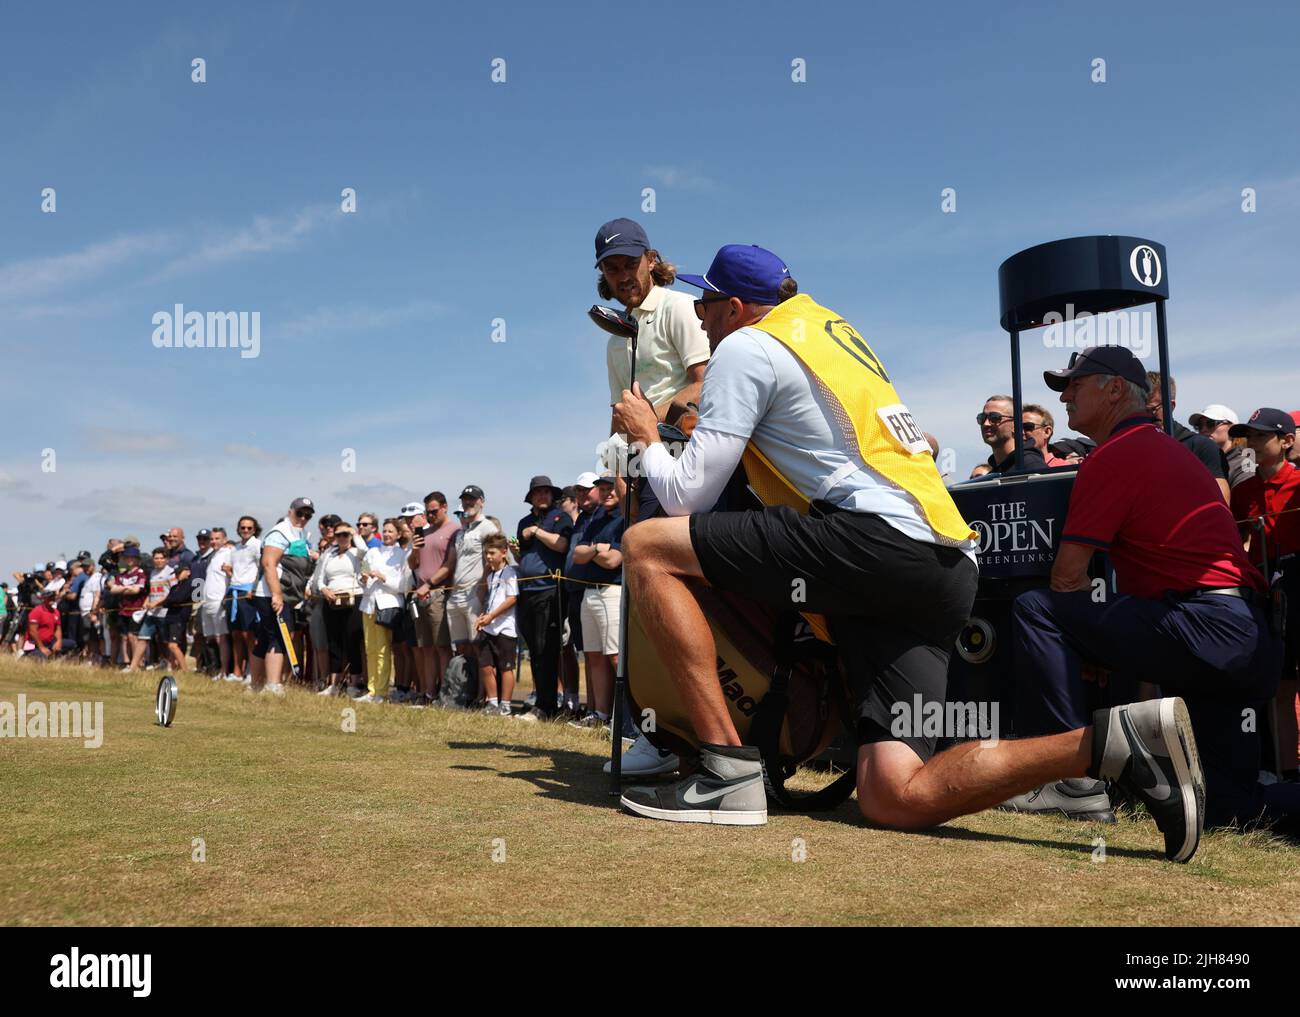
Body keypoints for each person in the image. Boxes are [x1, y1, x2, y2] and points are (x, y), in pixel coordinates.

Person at [611, 244, 1203, 863]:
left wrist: (650, 437)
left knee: (646, 546)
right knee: (893, 796)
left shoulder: (744, 345)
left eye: (707, 304)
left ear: (735, 307)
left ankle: (726, 771)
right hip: (944, 561)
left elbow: (686, 495)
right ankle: (1113, 742)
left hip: (874, 539)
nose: (701, 318)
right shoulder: (827, 328)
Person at [1009, 347, 1295, 841]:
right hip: (1243, 636)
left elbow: (1067, 580)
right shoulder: (1165, 449)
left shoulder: (1118, 453)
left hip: (1206, 624)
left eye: (1077, 384)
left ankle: (1071, 779)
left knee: (1036, 609)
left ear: (1116, 390)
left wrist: (1086, 643)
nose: (1067, 395)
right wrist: (1101, 642)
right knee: (1230, 808)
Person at [595, 217, 710, 518]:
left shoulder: (681, 307)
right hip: (640, 471)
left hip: (686, 460)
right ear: (603, 274)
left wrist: (645, 421)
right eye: (612, 268)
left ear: (650, 260)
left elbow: (707, 383)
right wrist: (619, 476)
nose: (623, 276)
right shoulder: (614, 340)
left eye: (630, 264)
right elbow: (619, 415)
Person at [1228, 408, 1300, 778]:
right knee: (1280, 689)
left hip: (1297, 589)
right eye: (1249, 435)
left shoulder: (1299, 483)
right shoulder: (1243, 492)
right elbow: (1239, 540)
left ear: (1287, 441)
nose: (1252, 442)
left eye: (1260, 435)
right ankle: (1288, 774)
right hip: (1265, 596)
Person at [570, 475, 626, 732]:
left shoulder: (625, 518)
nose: (606, 493)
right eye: (602, 489)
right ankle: (600, 713)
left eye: (610, 489)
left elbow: (614, 560)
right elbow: (577, 555)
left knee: (615, 657)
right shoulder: (596, 519)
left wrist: (591, 551)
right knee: (593, 657)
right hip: (589, 593)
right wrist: (596, 549)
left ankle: (624, 718)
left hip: (612, 592)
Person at [515, 475, 572, 718]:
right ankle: (541, 700)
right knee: (535, 651)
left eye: (546, 492)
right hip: (526, 591)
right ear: (531, 497)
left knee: (546, 649)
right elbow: (523, 555)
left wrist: (537, 532)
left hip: (549, 591)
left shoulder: (559, 517)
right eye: (538, 492)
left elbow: (562, 545)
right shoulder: (524, 521)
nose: (543, 495)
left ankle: (547, 705)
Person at [250, 498, 315, 694]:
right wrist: (277, 595)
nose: (303, 518)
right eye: (299, 513)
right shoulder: (280, 532)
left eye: (308, 515)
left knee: (265, 637)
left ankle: (255, 685)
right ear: (290, 511)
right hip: (275, 593)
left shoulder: (298, 532)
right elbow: (269, 563)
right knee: (279, 637)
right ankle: (273, 684)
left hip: (285, 594)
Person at [1145, 372, 1231, 503]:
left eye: (1151, 410)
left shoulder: (1202, 448)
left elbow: (1220, 507)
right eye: (1139, 409)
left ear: (1170, 406)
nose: (1145, 416)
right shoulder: (1132, 449)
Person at [408, 491, 459, 702]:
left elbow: (450, 564)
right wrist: (414, 549)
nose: (431, 516)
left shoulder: (454, 530)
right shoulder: (424, 533)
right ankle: (429, 692)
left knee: (442, 646)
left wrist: (429, 584)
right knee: (426, 647)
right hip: (420, 595)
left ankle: (445, 694)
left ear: (445, 507)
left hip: (439, 593)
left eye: (434, 511)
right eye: (428, 512)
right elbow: (413, 564)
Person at [444, 485, 499, 680]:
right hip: (456, 595)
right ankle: (465, 690)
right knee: (461, 646)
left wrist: (483, 591)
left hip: (474, 594)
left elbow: (495, 560)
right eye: (465, 499)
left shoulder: (488, 528)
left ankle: (482, 695)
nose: (468, 502)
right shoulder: (461, 531)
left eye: (473, 499)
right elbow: (451, 563)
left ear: (481, 502)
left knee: (478, 647)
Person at [357, 518, 412, 703]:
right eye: (385, 531)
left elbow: (403, 585)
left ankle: (381, 691)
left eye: (391, 531)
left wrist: (383, 577)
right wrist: (363, 578)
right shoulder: (371, 552)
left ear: (398, 534)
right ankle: (371, 689)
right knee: (369, 648)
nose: (387, 534)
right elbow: (361, 572)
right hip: (368, 604)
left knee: (382, 649)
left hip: (387, 605)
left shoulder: (402, 555)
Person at [309, 522, 366, 696]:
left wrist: (353, 533)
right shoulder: (329, 554)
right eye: (339, 534)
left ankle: (354, 683)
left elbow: (365, 550)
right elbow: (320, 576)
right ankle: (333, 683)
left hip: (353, 598)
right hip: (331, 600)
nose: (342, 538)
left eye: (345, 535)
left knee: (352, 641)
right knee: (334, 642)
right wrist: (324, 589)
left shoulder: (356, 553)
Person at [473, 533, 519, 715]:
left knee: (506, 667)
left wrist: (491, 616)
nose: (488, 557)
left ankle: (505, 704)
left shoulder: (510, 573)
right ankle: (492, 702)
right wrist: (484, 617)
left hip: (505, 628)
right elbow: (489, 599)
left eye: (492, 553)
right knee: (485, 665)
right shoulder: (491, 575)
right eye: (486, 553)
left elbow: (511, 599)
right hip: (489, 626)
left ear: (504, 552)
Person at [227, 516, 262, 682]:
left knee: (249, 634)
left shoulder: (257, 545)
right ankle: (237, 671)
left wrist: (254, 589)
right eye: (243, 528)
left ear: (254, 530)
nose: (246, 530)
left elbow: (262, 567)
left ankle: (251, 671)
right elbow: (235, 570)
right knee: (236, 634)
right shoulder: (235, 548)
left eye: (249, 528)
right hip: (234, 591)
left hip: (248, 592)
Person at [1190, 403, 1255, 489]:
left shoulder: (1244, 461)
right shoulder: (1200, 460)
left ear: (1231, 427)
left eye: (1211, 423)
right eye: (1199, 426)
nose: (1203, 430)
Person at [199, 527, 235, 681]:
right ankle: (215, 669)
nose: (213, 541)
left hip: (219, 601)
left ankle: (225, 671)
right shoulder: (214, 555)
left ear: (225, 539)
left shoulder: (229, 553)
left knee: (222, 638)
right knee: (210, 637)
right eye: (212, 539)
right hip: (207, 601)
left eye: (217, 539)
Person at [979, 395, 1046, 474]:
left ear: (1016, 424)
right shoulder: (992, 474)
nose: (985, 424)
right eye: (982, 417)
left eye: (994, 417)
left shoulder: (1033, 466)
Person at [24, 588, 61, 662]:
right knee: (42, 660)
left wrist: (58, 641)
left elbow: (58, 628)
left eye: (53, 597)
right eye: (49, 597)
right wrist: (42, 647)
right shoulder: (36, 611)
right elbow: (32, 631)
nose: (52, 599)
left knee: (71, 644)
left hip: (50, 642)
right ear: (44, 598)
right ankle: (27, 656)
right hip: (35, 644)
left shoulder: (56, 612)